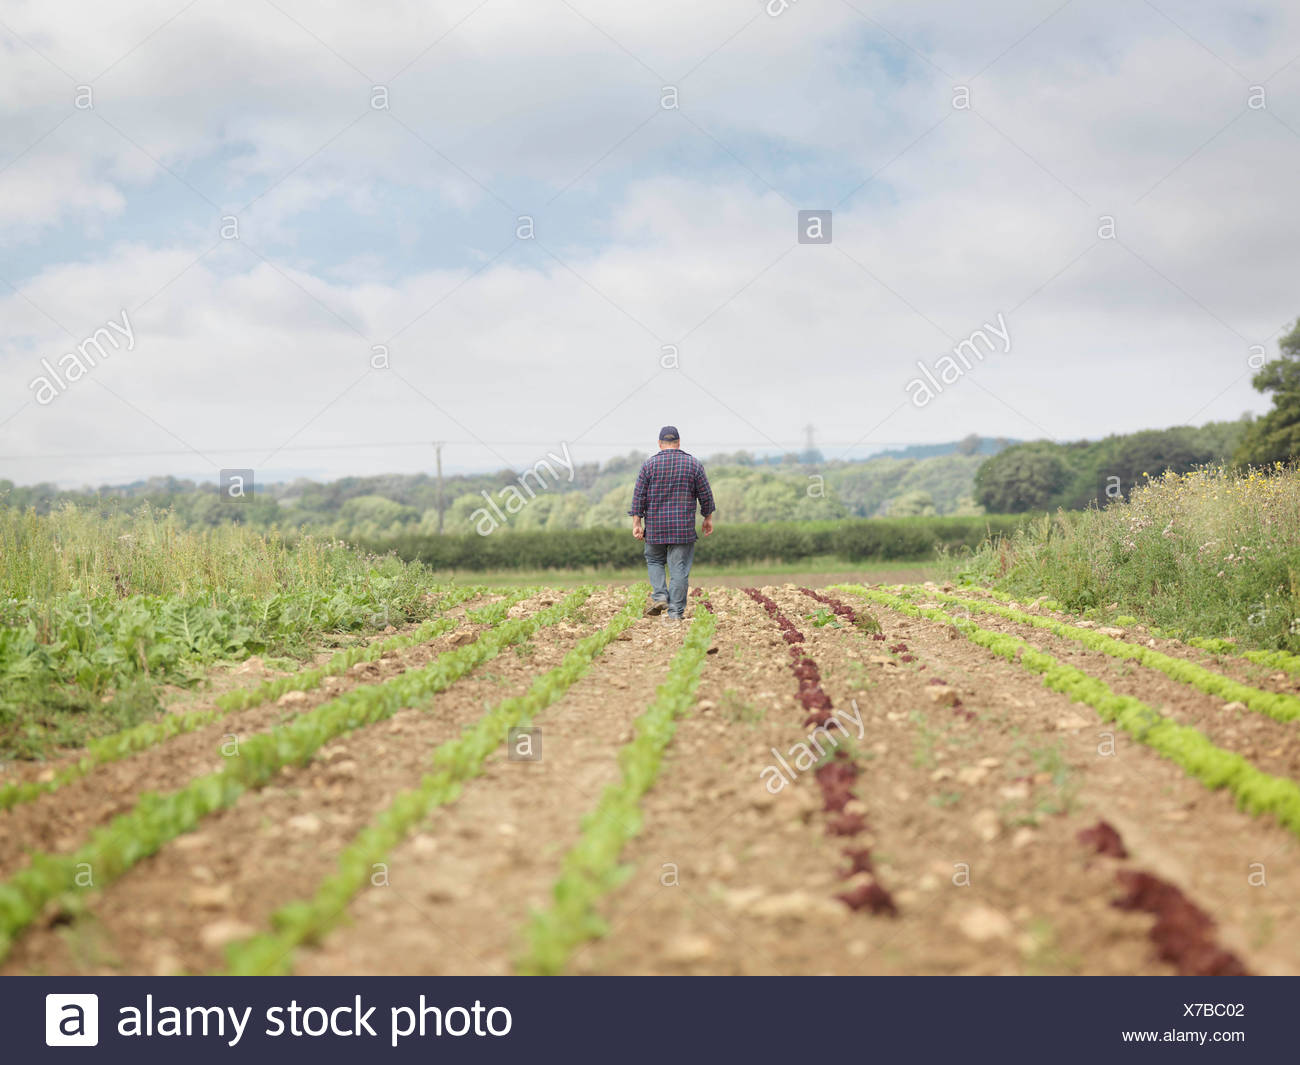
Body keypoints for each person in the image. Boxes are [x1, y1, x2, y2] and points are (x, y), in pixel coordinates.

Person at [628, 425, 716, 620]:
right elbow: (706, 495)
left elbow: (638, 497)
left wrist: (637, 523)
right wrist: (707, 517)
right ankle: (675, 613)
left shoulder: (649, 465)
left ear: (660, 444)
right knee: (679, 569)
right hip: (682, 528)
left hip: (656, 527)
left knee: (654, 560)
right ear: (678, 443)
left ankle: (660, 595)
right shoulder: (693, 464)